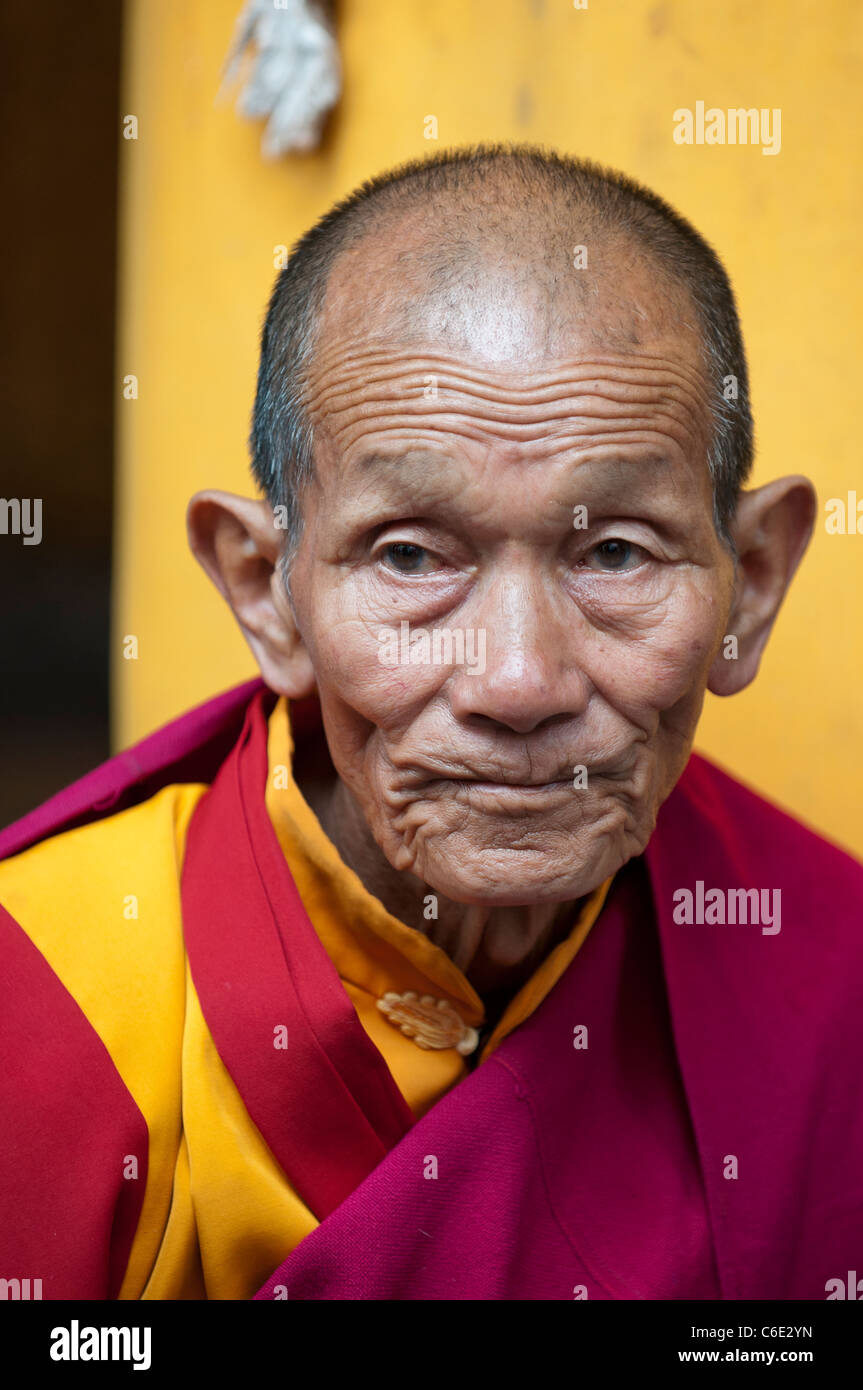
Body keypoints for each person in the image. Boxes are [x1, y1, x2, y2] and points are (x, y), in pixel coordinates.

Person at [1, 144, 860, 1302]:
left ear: (749, 585)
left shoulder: (824, 980)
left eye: (614, 552)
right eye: (409, 555)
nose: (516, 680)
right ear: (266, 592)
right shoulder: (50, 989)